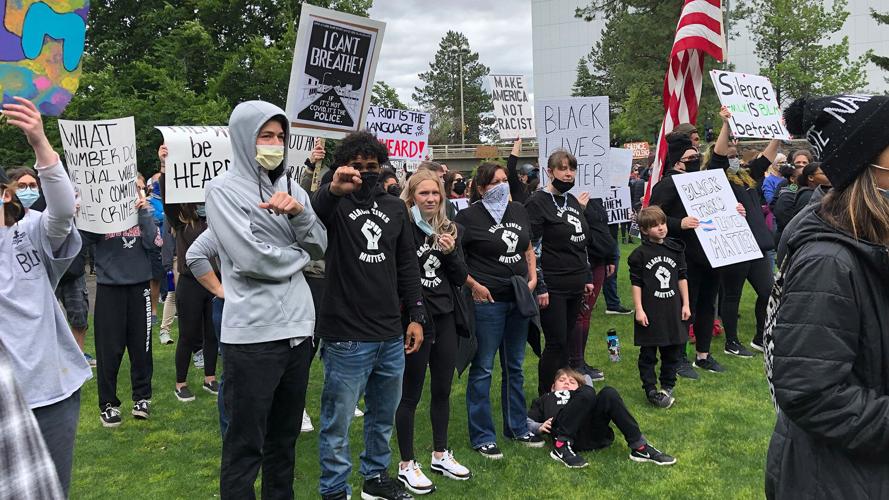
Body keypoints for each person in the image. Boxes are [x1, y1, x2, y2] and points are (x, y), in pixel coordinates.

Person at [765, 94, 889, 499]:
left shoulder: (873, 243)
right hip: (836, 481)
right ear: (868, 165)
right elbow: (811, 393)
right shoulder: (828, 262)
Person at [206, 100, 327, 499]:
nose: (275, 144)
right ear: (244, 138)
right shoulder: (221, 191)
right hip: (252, 337)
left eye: (280, 137)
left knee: (284, 444)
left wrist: (298, 216)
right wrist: (299, 255)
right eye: (265, 136)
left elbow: (321, 244)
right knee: (245, 447)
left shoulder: (292, 189)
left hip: (297, 333)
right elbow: (251, 258)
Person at [311, 131, 423, 500]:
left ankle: (375, 478)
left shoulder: (395, 208)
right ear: (342, 167)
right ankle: (334, 490)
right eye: (355, 166)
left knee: (381, 415)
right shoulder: (334, 204)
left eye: (371, 166)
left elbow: (407, 264)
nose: (363, 172)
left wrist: (416, 315)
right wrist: (334, 188)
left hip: (390, 332)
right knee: (337, 421)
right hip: (345, 334)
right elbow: (313, 214)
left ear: (382, 167)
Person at [0, 97, 91, 495]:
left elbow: (63, 209)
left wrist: (39, 141)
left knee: (51, 490)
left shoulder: (31, 229)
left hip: (49, 392)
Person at [455, 162, 543, 460]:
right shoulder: (467, 217)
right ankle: (482, 436)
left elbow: (528, 247)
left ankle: (516, 426)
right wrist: (474, 285)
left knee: (515, 366)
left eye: (505, 180)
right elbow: (454, 259)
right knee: (484, 369)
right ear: (481, 188)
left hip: (517, 300)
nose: (502, 186)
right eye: (495, 182)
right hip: (487, 303)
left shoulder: (518, 210)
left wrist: (532, 277)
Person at [394, 169, 472, 495]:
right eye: (423, 194)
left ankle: (440, 453)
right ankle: (406, 464)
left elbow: (459, 277)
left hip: (445, 316)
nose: (430, 199)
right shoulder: (403, 228)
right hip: (414, 320)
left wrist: (451, 251)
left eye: (435, 193)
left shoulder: (448, 228)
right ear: (411, 196)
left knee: (441, 389)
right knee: (410, 393)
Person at [81, 172, 161, 427]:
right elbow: (83, 241)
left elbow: (154, 243)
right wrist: (88, 210)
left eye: (137, 188)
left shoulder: (145, 214)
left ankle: (142, 398)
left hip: (140, 288)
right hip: (109, 289)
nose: (133, 193)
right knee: (109, 350)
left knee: (142, 347)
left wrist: (144, 212)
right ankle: (108, 404)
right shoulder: (102, 217)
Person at [7, 167, 95, 367]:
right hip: (39, 281)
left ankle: (77, 357)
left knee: (79, 317)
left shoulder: (59, 203)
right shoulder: (18, 220)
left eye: (32, 185)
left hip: (71, 271)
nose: (28, 190)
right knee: (42, 322)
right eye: (22, 186)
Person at [649, 134, 721, 377]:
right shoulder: (667, 185)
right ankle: (678, 358)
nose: (696, 160)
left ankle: (703, 354)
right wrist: (680, 223)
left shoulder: (702, 181)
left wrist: (735, 210)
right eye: (691, 158)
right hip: (683, 256)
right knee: (685, 307)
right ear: (678, 162)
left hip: (710, 253)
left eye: (697, 156)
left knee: (707, 305)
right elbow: (650, 216)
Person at [525, 150, 595, 396]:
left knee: (566, 342)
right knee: (555, 344)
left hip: (575, 282)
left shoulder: (573, 201)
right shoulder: (537, 202)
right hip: (553, 285)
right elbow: (532, 247)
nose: (568, 173)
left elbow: (580, 242)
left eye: (572, 169)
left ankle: (564, 390)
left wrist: (587, 276)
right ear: (549, 171)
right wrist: (540, 284)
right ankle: (546, 395)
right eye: (562, 168)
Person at [710, 108, 777, 355]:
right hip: (736, 244)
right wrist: (727, 125)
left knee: (768, 292)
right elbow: (719, 154)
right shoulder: (717, 177)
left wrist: (778, 135)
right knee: (732, 295)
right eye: (731, 154)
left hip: (757, 245)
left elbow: (767, 159)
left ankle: (761, 337)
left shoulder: (746, 177)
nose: (735, 157)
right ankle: (732, 342)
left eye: (737, 154)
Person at [157, 145, 219, 402]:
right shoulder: (182, 218)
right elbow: (167, 198)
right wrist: (163, 167)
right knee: (189, 334)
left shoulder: (217, 215)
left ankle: (210, 378)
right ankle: (180, 382)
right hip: (191, 283)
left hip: (216, 282)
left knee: (212, 333)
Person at [527, 369, 676, 469]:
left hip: (593, 432)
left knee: (608, 392)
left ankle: (640, 448)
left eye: (572, 382)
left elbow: (587, 386)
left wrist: (584, 390)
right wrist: (538, 427)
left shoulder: (585, 394)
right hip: (564, 432)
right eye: (562, 380)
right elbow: (526, 421)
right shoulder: (545, 399)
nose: (567, 382)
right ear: (553, 387)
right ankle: (561, 447)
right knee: (588, 393)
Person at [628, 206, 690, 408]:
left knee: (672, 350)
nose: (661, 228)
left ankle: (667, 386)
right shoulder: (639, 254)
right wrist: (639, 308)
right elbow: (636, 283)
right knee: (648, 352)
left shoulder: (675, 249)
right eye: (655, 226)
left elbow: (682, 278)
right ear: (645, 230)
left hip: (672, 308)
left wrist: (686, 304)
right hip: (651, 309)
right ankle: (650, 388)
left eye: (662, 224)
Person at [569, 196, 615, 384]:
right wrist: (579, 208)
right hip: (580, 262)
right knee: (579, 313)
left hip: (598, 260)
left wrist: (611, 256)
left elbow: (604, 229)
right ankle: (575, 362)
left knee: (586, 312)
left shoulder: (597, 198)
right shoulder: (568, 200)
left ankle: (580, 360)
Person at [506, 138, 535, 203]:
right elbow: (511, 168)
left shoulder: (539, 188)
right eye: (530, 173)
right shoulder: (517, 187)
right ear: (522, 177)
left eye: (535, 173)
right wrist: (516, 145)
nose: (533, 175)